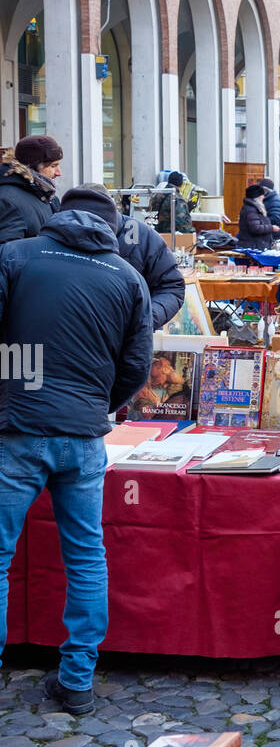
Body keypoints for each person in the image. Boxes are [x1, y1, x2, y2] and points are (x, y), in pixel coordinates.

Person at [0, 205, 153, 714]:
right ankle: (77, 681)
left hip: (19, 426)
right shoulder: (126, 275)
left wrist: (18, 385)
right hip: (83, 430)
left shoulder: (17, 256)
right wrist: (95, 402)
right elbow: (137, 365)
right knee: (87, 556)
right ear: (110, 226)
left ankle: (73, 680)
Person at [58, 186, 184, 331]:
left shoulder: (143, 236)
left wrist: (145, 320)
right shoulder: (59, 234)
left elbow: (171, 286)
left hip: (129, 338)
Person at [0, 136, 62, 244]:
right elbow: (7, 254)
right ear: (34, 166)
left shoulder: (49, 197)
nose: (58, 173)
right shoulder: (7, 201)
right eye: (53, 166)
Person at [237, 183, 279, 250]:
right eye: (262, 195)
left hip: (255, 245)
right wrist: (271, 228)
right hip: (252, 247)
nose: (263, 197)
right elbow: (255, 228)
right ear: (257, 196)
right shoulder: (251, 209)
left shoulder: (253, 208)